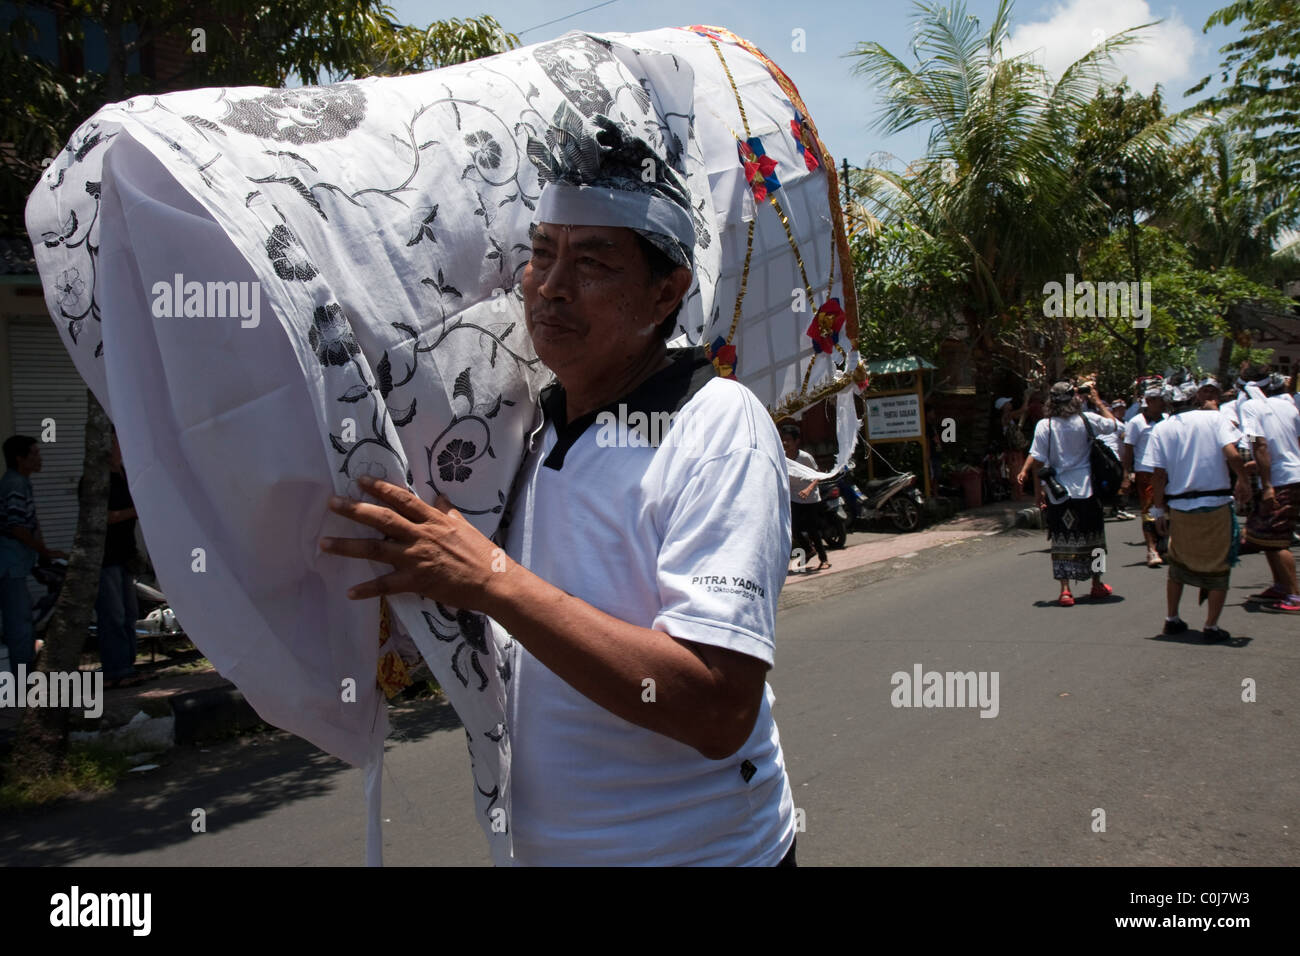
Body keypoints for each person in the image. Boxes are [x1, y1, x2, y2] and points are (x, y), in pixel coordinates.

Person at [320, 118, 796, 866]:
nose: (550, 287)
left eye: (594, 262)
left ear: (666, 291)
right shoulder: (529, 429)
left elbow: (716, 706)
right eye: (542, 254)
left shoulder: (716, 426)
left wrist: (491, 580)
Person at [1141, 383, 1251, 641]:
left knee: (1178, 565)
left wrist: (1158, 511)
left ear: (1169, 404)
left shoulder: (1162, 429)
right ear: (1196, 398)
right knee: (1219, 566)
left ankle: (1172, 618)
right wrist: (1243, 479)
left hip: (1180, 508)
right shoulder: (1215, 419)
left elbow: (1158, 476)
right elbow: (1232, 454)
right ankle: (1211, 626)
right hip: (1215, 506)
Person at [1016, 381, 1119, 606]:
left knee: (1061, 540)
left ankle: (1065, 590)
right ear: (1075, 398)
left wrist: (1036, 489)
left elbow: (1038, 459)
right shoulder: (1087, 419)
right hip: (1087, 490)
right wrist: (1096, 400)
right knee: (1096, 539)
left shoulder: (1045, 425)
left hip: (1057, 492)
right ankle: (1097, 584)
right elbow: (1114, 426)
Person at [1, 436, 67, 669]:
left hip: (20, 562)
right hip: (10, 565)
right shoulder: (15, 485)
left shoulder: (22, 482)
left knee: (24, 618)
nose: (40, 458)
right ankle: (22, 679)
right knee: (19, 622)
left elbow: (32, 524)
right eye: (34, 454)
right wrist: (44, 549)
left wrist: (43, 553)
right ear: (21, 459)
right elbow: (18, 528)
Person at [1237, 370, 1300, 612]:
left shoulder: (1251, 407)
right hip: (1291, 474)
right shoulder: (1289, 406)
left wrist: (1268, 486)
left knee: (1277, 539)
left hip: (1280, 480)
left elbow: (1258, 443)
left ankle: (1293, 594)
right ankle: (1280, 586)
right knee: (1264, 535)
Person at [98, 429, 143, 687]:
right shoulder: (98, 478)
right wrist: (136, 511)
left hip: (125, 553)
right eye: (118, 441)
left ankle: (127, 666)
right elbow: (106, 516)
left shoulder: (124, 473)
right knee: (112, 614)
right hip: (107, 556)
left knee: (129, 613)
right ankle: (115, 669)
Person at [1121, 385, 1168, 566]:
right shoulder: (1136, 422)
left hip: (1166, 470)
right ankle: (1151, 549)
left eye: (1164, 399)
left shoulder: (1168, 420)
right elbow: (1129, 451)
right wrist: (1126, 475)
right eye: (1158, 400)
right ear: (1148, 402)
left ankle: (1165, 544)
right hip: (1146, 471)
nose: (1163, 403)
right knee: (1149, 511)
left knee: (1166, 509)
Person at [781, 422, 830, 573]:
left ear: (796, 441)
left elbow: (817, 475)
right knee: (793, 529)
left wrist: (808, 489)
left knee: (812, 529)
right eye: (783, 439)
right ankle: (809, 550)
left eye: (788, 440)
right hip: (794, 498)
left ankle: (824, 559)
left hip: (810, 499)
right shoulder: (782, 458)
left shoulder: (805, 457)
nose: (785, 443)